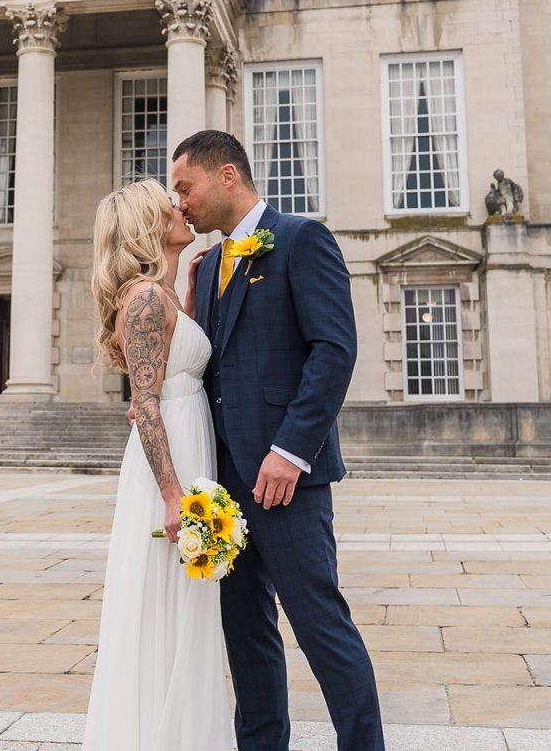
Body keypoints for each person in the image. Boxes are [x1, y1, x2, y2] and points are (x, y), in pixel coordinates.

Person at [172, 129, 384, 751]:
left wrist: (291, 451)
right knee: (245, 633)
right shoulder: (206, 266)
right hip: (223, 487)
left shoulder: (301, 239)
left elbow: (333, 351)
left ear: (227, 175)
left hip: (288, 478)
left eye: (186, 187)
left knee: (320, 625)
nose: (179, 202)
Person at [82, 178, 232, 751]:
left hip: (190, 448)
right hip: (167, 470)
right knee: (166, 608)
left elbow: (176, 367)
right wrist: (173, 497)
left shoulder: (161, 295)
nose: (179, 205)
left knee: (186, 612)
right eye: (166, 203)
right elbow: (144, 404)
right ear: (148, 224)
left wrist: (189, 292)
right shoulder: (143, 299)